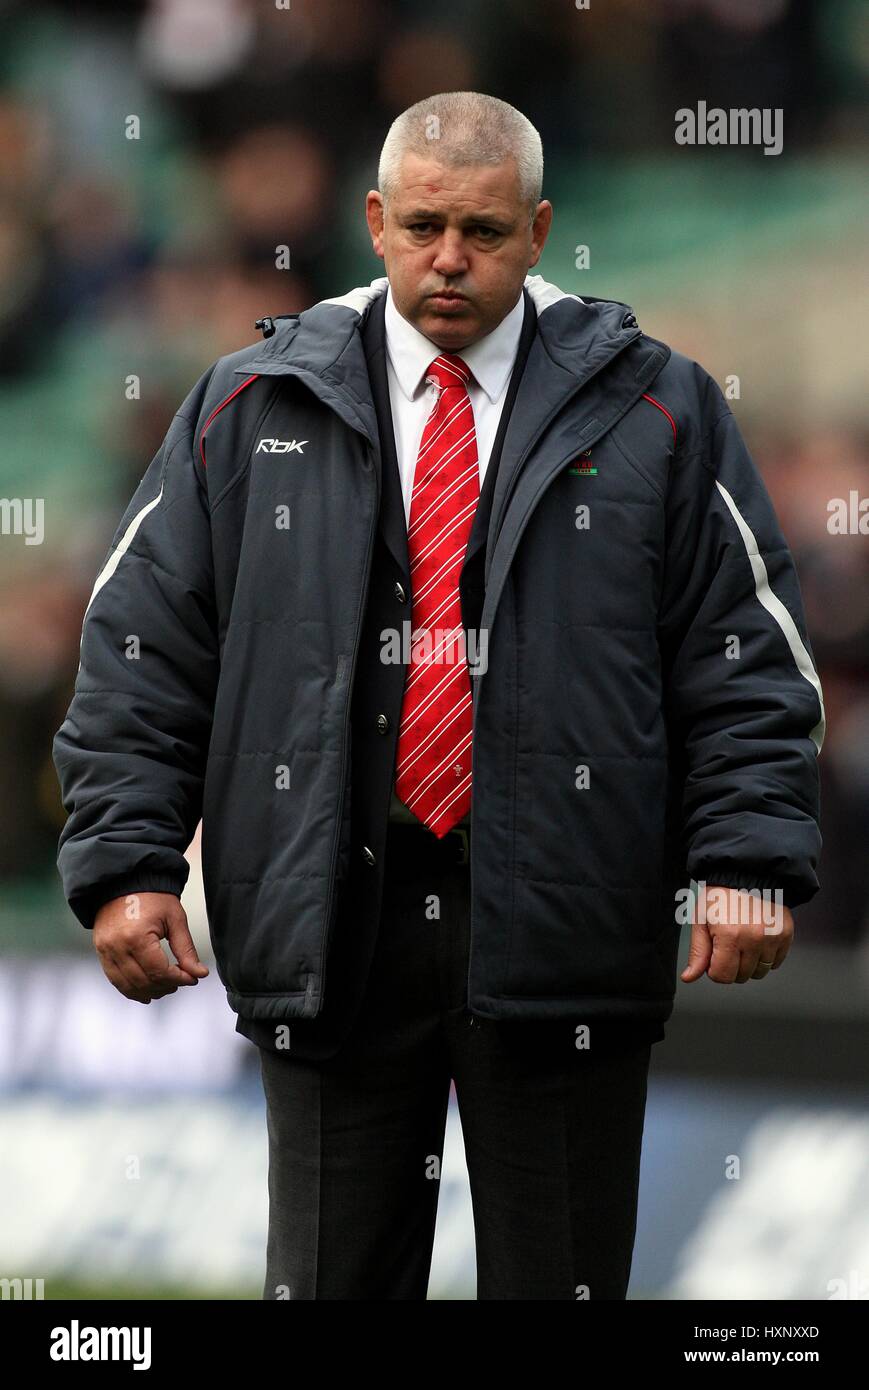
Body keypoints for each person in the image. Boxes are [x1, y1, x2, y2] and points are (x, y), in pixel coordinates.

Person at [52, 91, 824, 1300]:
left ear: (538, 227)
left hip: (566, 924)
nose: (448, 258)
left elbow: (742, 652)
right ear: (372, 219)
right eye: (421, 226)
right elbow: (141, 647)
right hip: (326, 927)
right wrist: (127, 861)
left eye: (481, 228)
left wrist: (748, 856)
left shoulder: (657, 406)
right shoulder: (251, 405)